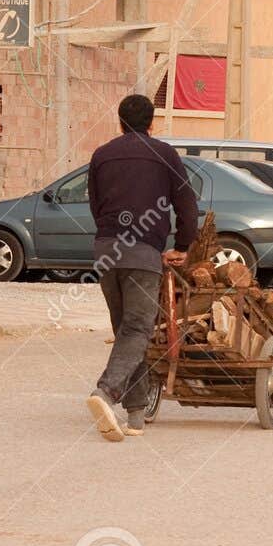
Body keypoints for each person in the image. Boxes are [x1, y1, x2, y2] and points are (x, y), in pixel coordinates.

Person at [84, 94, 199, 443]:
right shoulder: (164, 154)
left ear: (119, 122)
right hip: (143, 254)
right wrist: (181, 246)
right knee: (137, 329)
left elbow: (94, 203)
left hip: (106, 251)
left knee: (126, 331)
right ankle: (105, 392)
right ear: (152, 123)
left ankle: (136, 415)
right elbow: (187, 204)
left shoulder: (101, 156)